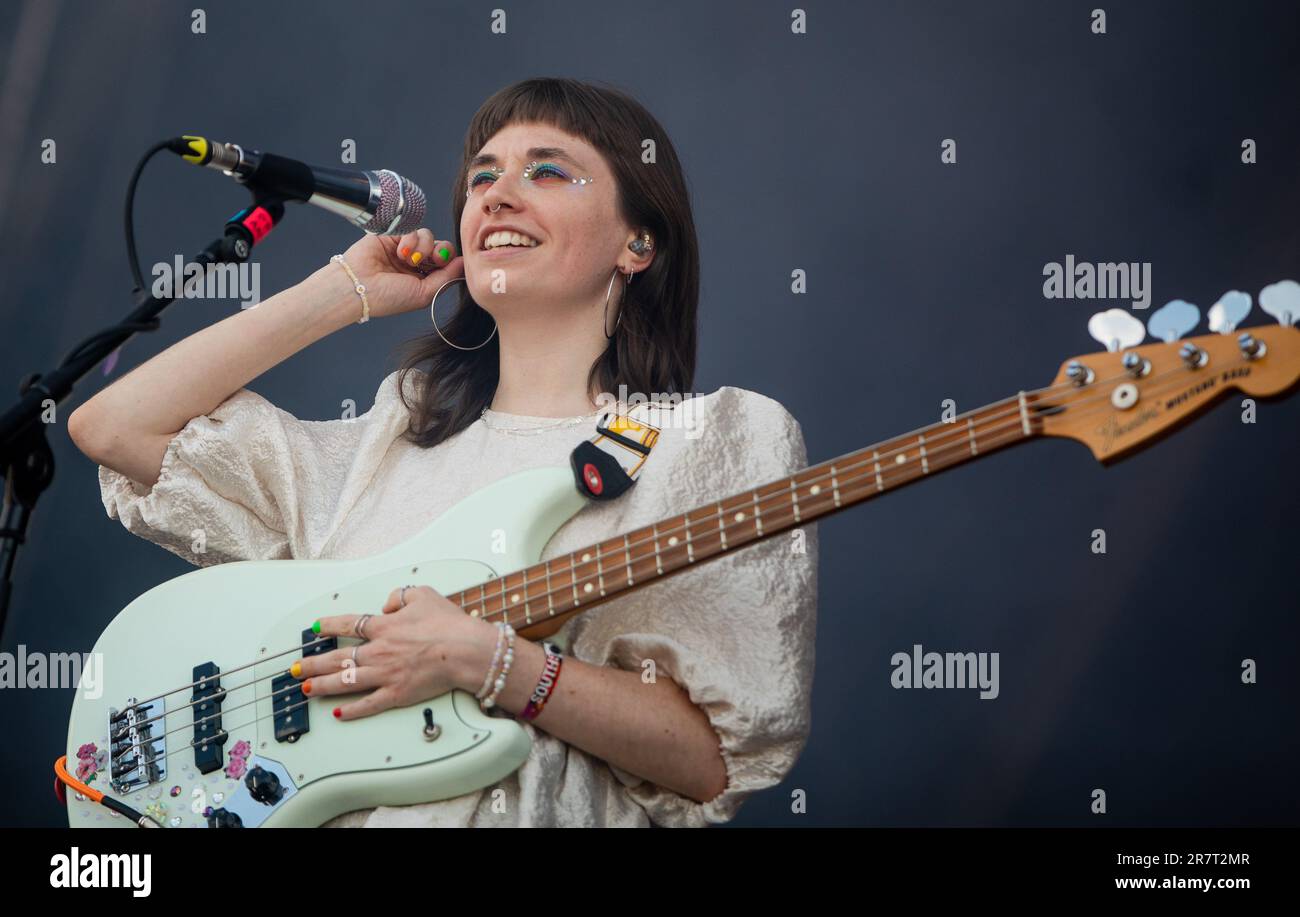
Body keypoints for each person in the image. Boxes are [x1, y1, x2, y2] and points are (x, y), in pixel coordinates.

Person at [68, 77, 817, 827]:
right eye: (482, 176)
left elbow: (708, 758)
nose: (497, 194)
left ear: (638, 242)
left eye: (547, 171)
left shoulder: (702, 445)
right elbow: (114, 427)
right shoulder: (383, 445)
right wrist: (341, 291)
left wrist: (500, 665)